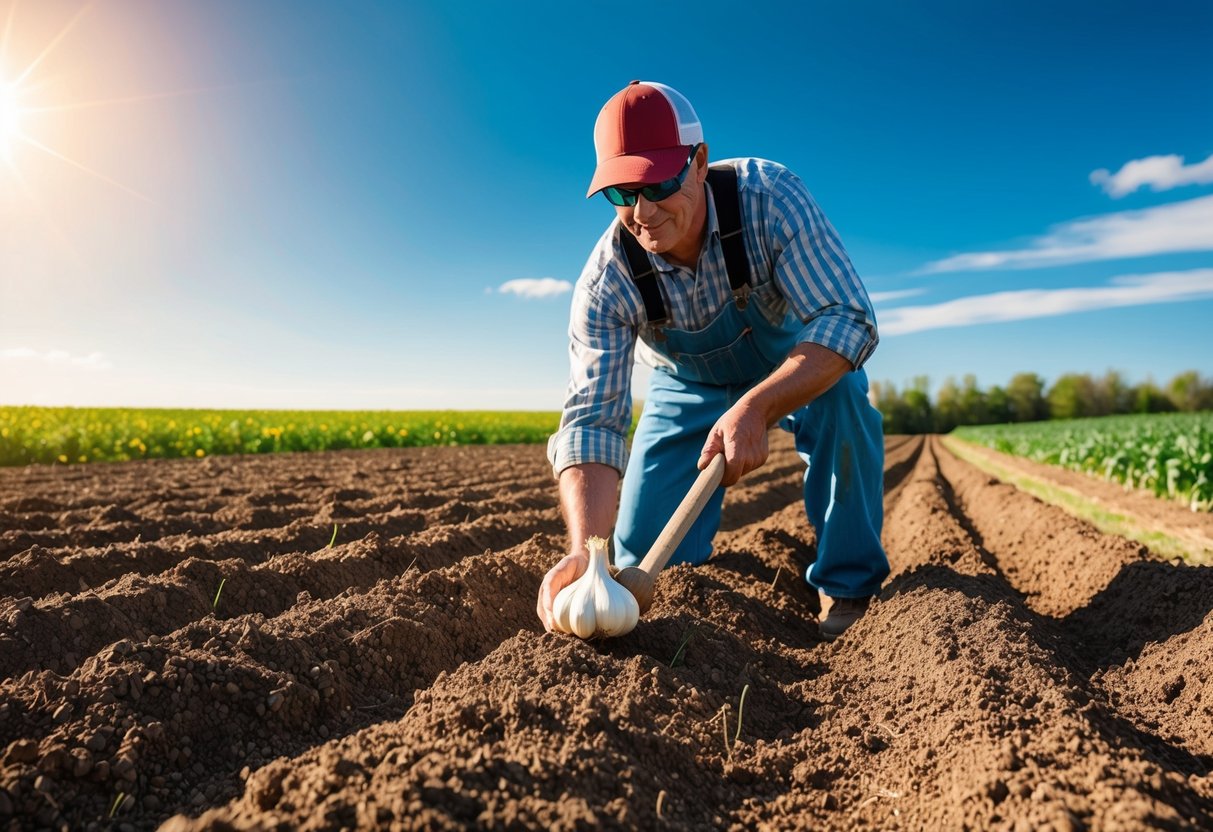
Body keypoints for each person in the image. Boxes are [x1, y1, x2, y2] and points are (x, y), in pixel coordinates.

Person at [536, 80, 888, 641]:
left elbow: (847, 317)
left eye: (658, 183)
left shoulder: (769, 199)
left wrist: (759, 403)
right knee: (639, 560)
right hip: (687, 388)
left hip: (787, 365)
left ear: (699, 163)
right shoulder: (607, 282)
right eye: (622, 194)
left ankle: (848, 587)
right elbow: (591, 423)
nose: (642, 212)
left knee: (842, 399)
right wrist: (586, 554)